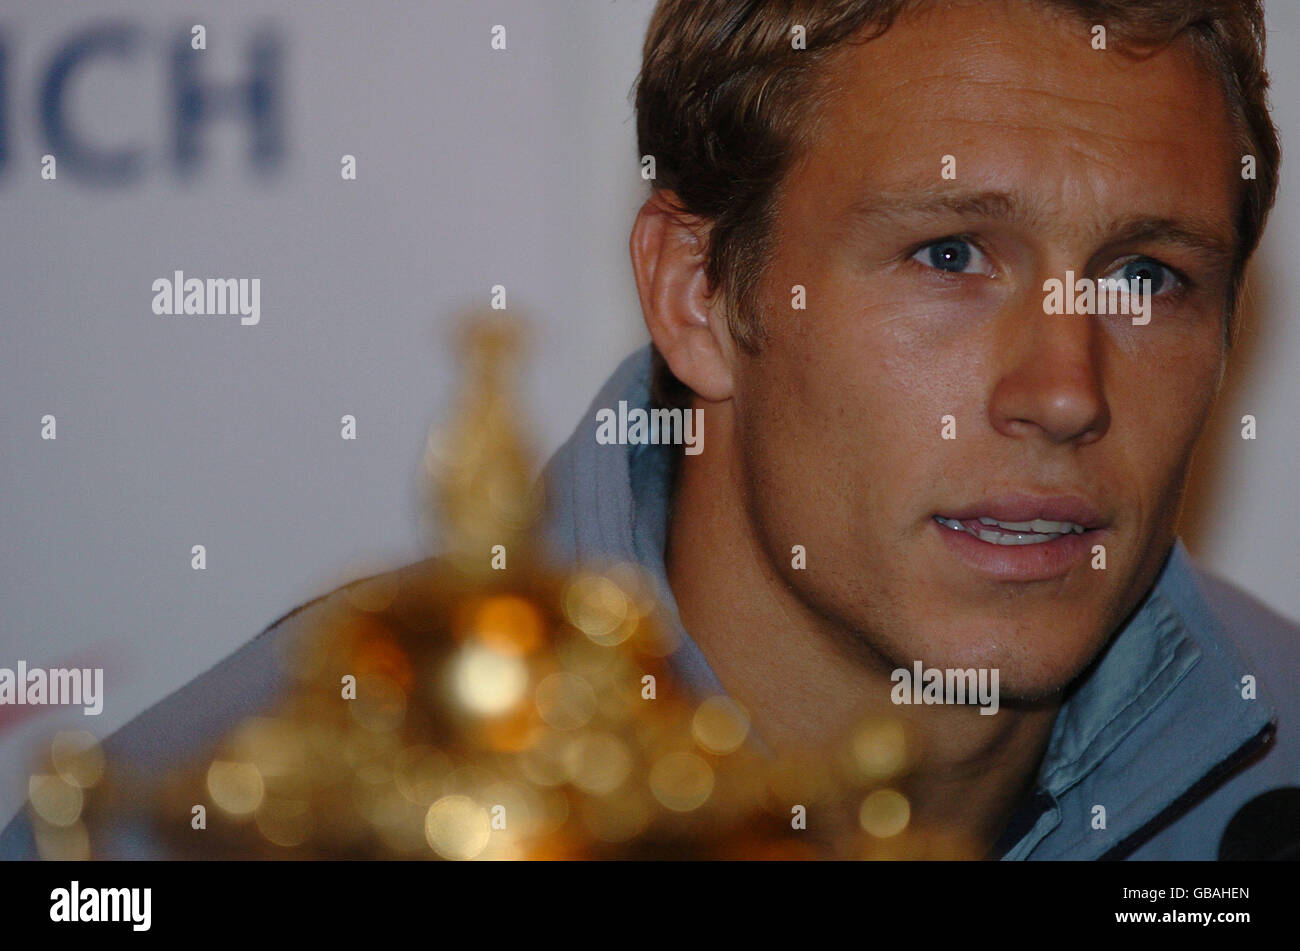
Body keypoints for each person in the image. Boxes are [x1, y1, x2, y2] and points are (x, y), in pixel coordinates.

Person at [3, 0, 1296, 860]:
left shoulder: (1276, 752)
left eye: (1148, 277)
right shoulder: (220, 823)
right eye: (950, 253)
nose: (1066, 391)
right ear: (697, 294)